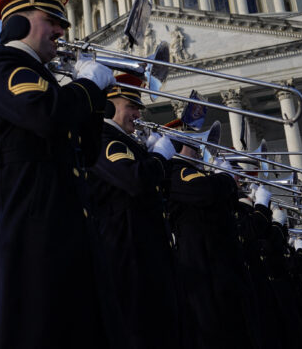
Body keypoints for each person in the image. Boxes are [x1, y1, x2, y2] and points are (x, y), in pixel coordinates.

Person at [0, 0, 119, 349]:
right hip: (28, 226)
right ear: (20, 23)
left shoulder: (47, 79)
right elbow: (45, 116)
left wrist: (95, 99)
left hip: (57, 226)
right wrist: (86, 87)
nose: (62, 30)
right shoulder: (4, 62)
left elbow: (85, 154)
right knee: (33, 330)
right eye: (53, 20)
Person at [87, 73, 179, 349]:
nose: (138, 114)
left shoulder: (127, 144)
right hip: (124, 252)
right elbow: (133, 180)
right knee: (135, 330)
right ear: (111, 106)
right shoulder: (103, 138)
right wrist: (158, 158)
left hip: (142, 251)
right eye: (131, 107)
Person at [167, 123, 256, 349]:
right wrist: (225, 179)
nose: (200, 150)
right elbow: (204, 192)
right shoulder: (177, 170)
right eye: (194, 144)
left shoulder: (197, 173)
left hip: (218, 265)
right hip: (203, 265)